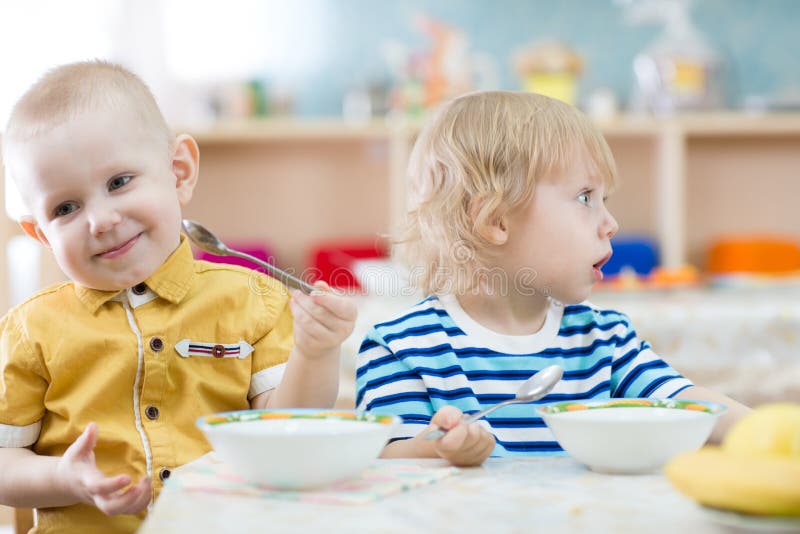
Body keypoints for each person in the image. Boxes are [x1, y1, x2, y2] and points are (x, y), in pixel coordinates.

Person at [0, 60, 357, 533]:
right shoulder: (30, 330)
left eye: (118, 182)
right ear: (42, 234)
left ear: (179, 172)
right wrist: (64, 479)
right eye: (66, 208)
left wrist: (316, 352)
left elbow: (285, 435)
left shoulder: (256, 301)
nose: (101, 220)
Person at [355, 90, 749, 467]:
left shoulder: (604, 339)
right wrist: (444, 449)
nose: (611, 224)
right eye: (585, 197)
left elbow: (686, 404)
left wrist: (765, 430)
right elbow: (386, 458)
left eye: (604, 200)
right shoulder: (400, 347)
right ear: (495, 220)